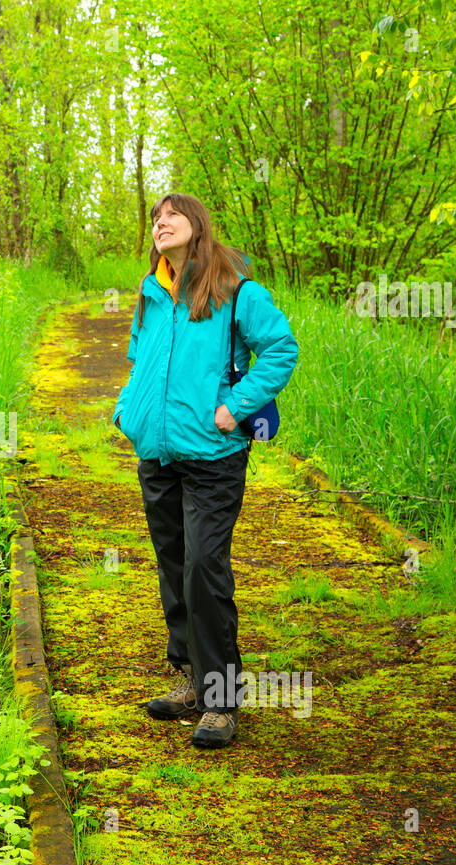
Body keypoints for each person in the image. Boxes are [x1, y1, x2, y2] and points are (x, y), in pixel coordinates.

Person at [112, 193, 298, 748]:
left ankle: (221, 701)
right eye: (154, 217)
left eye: (172, 214)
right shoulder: (150, 294)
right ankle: (190, 680)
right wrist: (129, 410)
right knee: (173, 567)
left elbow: (281, 350)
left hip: (214, 457)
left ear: (197, 226)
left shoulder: (237, 290)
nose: (160, 223)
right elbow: (139, 361)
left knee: (203, 569)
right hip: (158, 455)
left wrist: (236, 407)